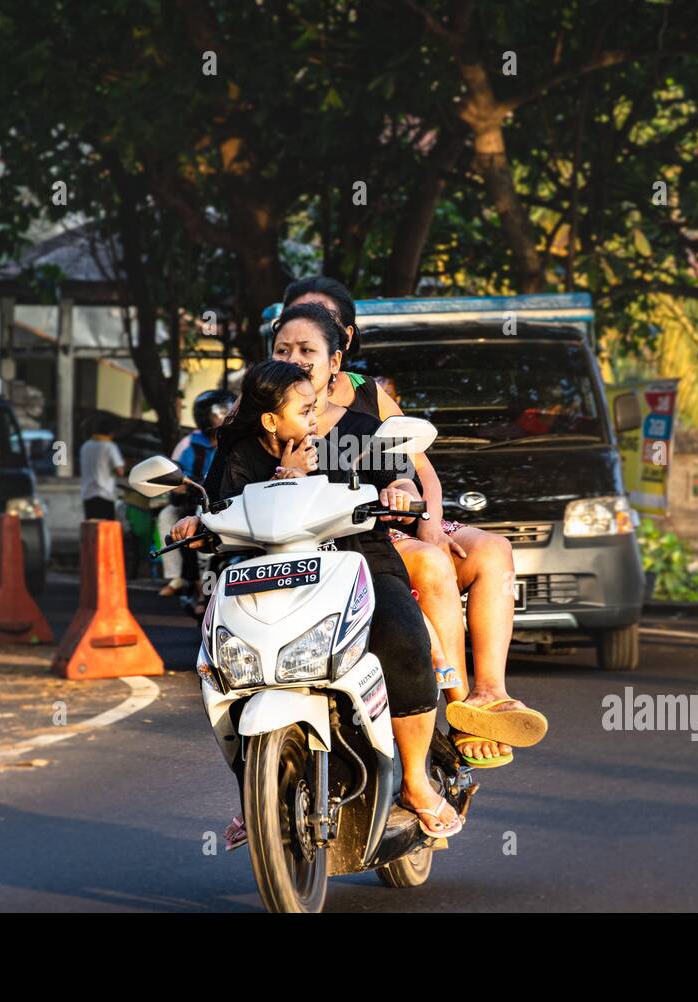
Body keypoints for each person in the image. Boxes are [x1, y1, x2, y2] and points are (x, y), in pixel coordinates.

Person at [172, 344, 465, 841]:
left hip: (362, 562)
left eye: (315, 405)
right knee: (220, 665)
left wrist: (397, 489)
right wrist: (194, 521)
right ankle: (258, 786)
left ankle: (415, 781)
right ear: (269, 420)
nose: (315, 419)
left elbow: (401, 474)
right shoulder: (239, 452)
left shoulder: (358, 433)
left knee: (402, 636)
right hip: (268, 574)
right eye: (304, 410)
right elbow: (217, 504)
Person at [280, 276, 548, 767]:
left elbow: (417, 470)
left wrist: (429, 521)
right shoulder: (261, 403)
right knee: (428, 563)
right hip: (319, 538)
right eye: (290, 337)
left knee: (491, 550)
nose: (300, 350)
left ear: (341, 341)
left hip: (392, 521)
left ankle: (485, 698)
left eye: (319, 330)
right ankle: (458, 705)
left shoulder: (368, 397)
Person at [157, 390, 235, 598]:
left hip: (232, 502)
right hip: (195, 501)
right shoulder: (188, 445)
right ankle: (179, 577)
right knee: (167, 516)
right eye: (218, 412)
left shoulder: (241, 439)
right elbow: (175, 478)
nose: (223, 416)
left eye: (228, 409)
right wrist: (179, 487)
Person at [79, 414, 125, 521]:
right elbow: (120, 471)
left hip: (88, 494)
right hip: (105, 494)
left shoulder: (85, 446)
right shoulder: (110, 447)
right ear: (112, 433)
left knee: (91, 528)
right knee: (105, 530)